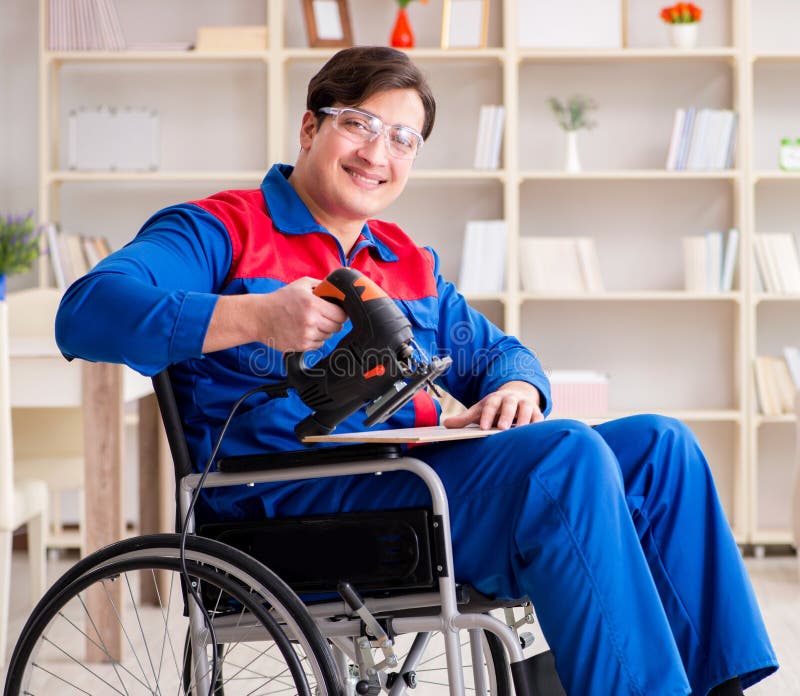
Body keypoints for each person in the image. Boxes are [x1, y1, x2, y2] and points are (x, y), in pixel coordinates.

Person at [55, 46, 777, 695]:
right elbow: (86, 311)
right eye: (360, 125)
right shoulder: (218, 228)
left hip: (410, 483)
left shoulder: (405, 260)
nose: (379, 152)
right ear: (310, 129)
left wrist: (516, 388)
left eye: (404, 139)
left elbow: (499, 354)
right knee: (566, 460)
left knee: (662, 448)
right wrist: (258, 317)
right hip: (290, 509)